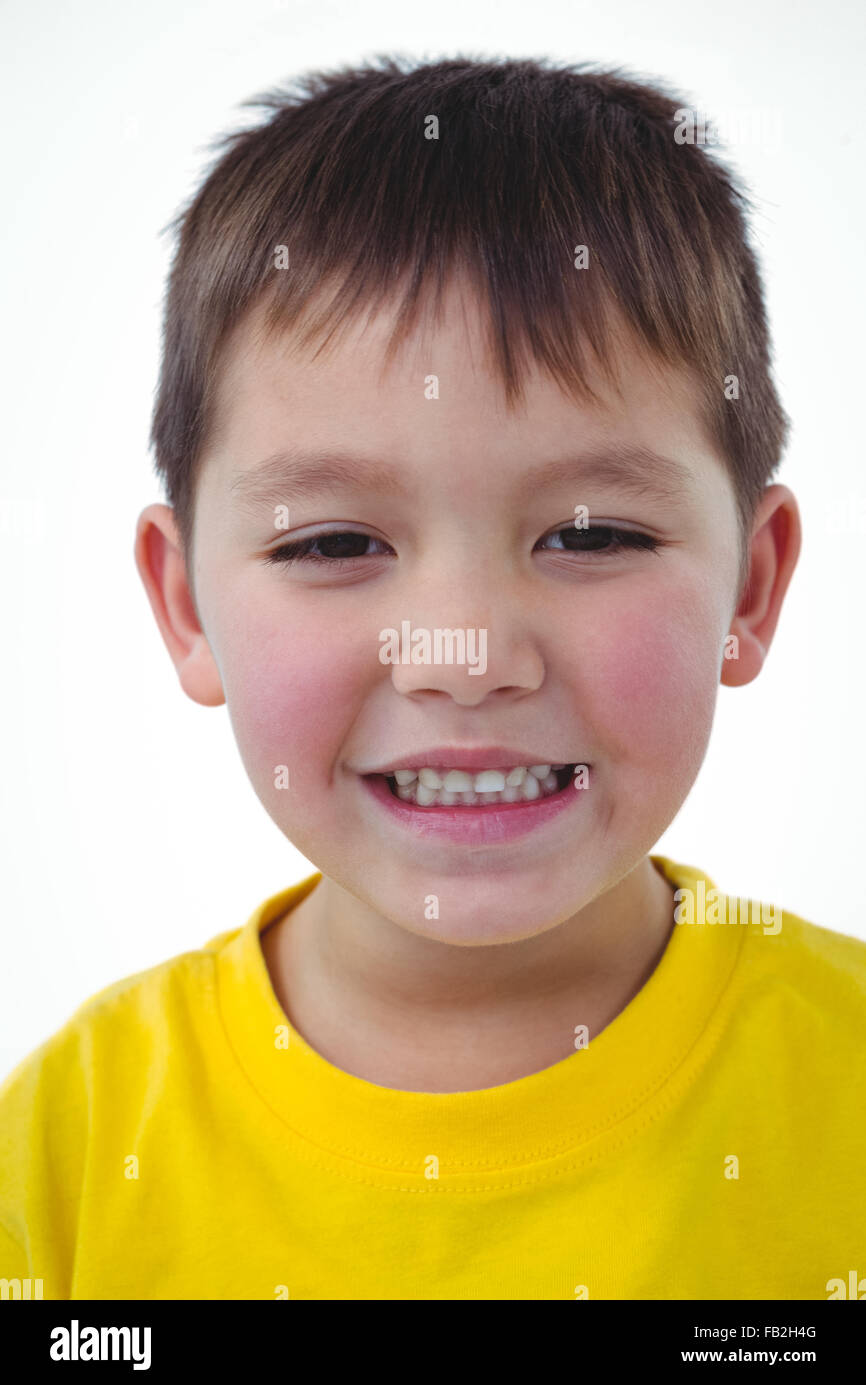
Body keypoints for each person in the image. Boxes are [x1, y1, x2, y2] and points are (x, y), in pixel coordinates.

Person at [1, 54, 863, 1301]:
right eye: (335, 543)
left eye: (587, 535)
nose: (462, 656)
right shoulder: (63, 1156)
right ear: (185, 603)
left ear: (749, 587)